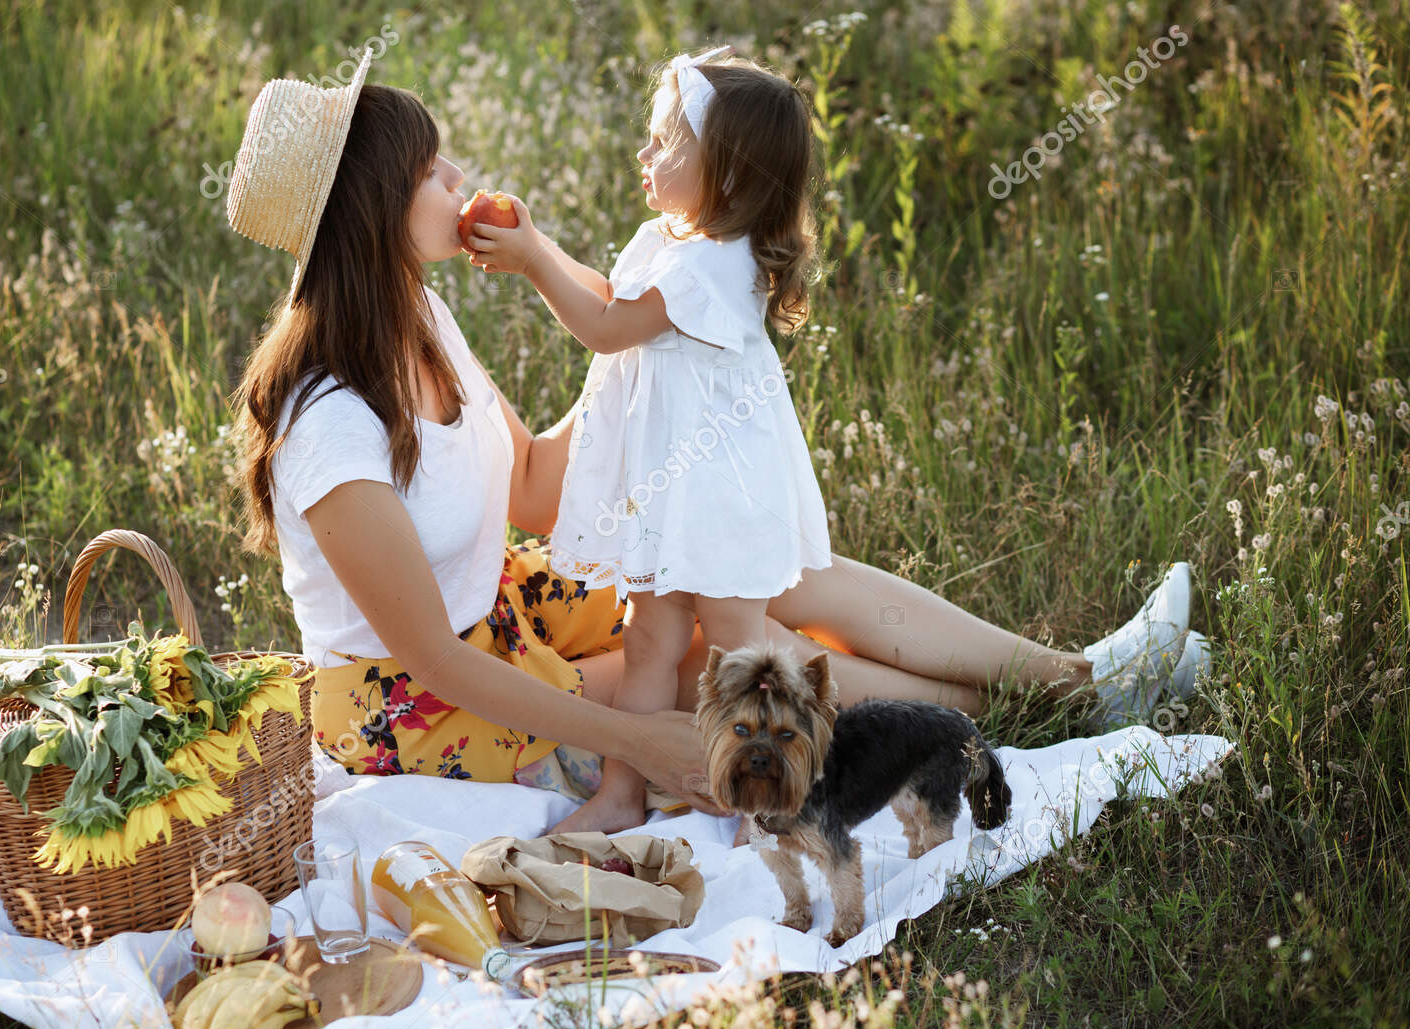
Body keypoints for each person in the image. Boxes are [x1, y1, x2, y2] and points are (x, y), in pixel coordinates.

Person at [222, 52, 1202, 840]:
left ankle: (1074, 679)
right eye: (430, 171)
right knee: (714, 656)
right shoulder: (330, 426)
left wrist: (649, 378)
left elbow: (527, 486)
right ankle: (1016, 719)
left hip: (509, 599)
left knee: (753, 570)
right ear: (369, 209)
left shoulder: (419, 313)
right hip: (418, 698)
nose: (459, 178)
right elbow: (432, 658)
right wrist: (641, 742)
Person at [466, 48, 833, 832]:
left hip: (723, 496)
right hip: (670, 494)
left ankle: (769, 801)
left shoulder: (715, 267)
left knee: (741, 655)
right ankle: (622, 790)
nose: (645, 153)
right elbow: (612, 300)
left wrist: (532, 260)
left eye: (668, 143)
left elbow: (604, 330)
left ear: (728, 181)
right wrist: (543, 247)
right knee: (650, 644)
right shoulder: (670, 242)